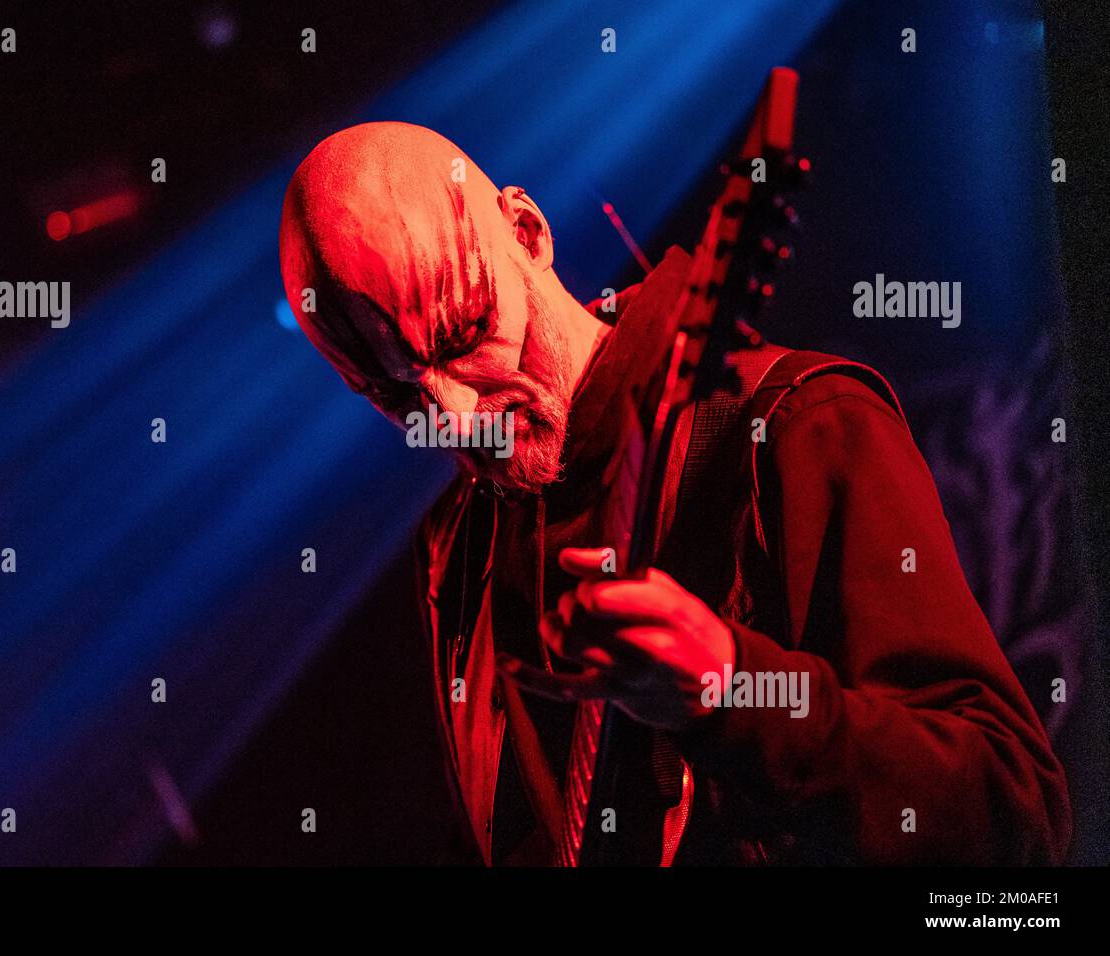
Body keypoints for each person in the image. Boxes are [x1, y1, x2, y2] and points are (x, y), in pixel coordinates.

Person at [277, 121, 1071, 865]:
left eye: (462, 334)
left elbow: (1014, 813)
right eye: (395, 394)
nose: (453, 418)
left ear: (527, 233)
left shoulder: (797, 422)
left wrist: (735, 693)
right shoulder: (457, 542)